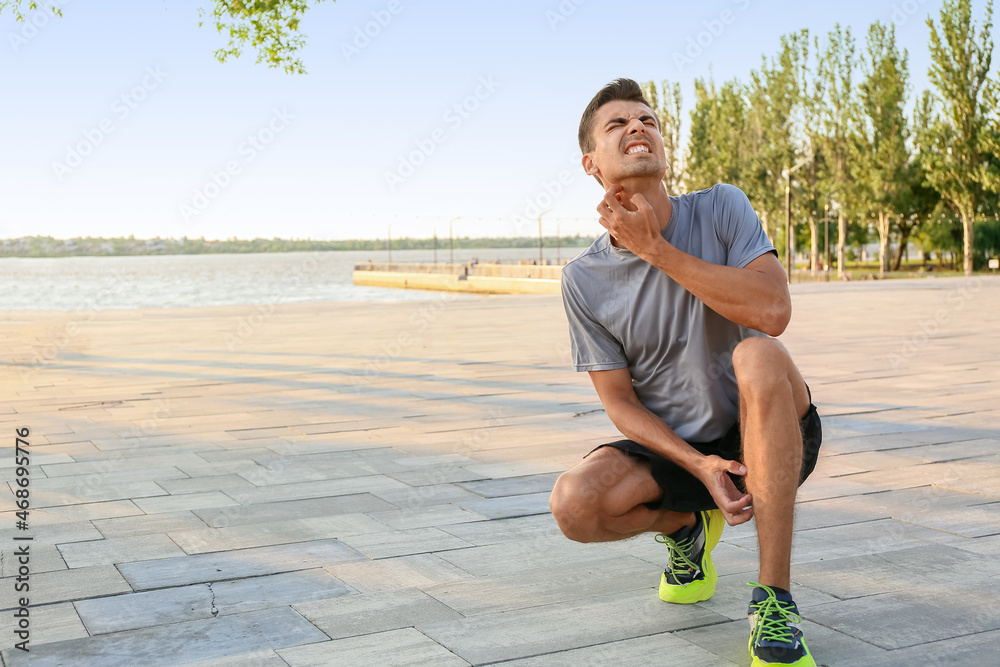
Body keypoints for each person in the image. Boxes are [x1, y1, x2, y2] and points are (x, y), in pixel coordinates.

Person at [549, 78, 822, 667]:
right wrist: (698, 465)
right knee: (574, 503)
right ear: (591, 164)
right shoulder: (583, 280)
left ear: (663, 144)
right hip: (683, 450)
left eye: (646, 119)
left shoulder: (723, 206)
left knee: (756, 353)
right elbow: (619, 404)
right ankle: (686, 529)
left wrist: (658, 252)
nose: (636, 128)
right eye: (616, 124)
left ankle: (774, 601)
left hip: (772, 421)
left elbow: (773, 313)